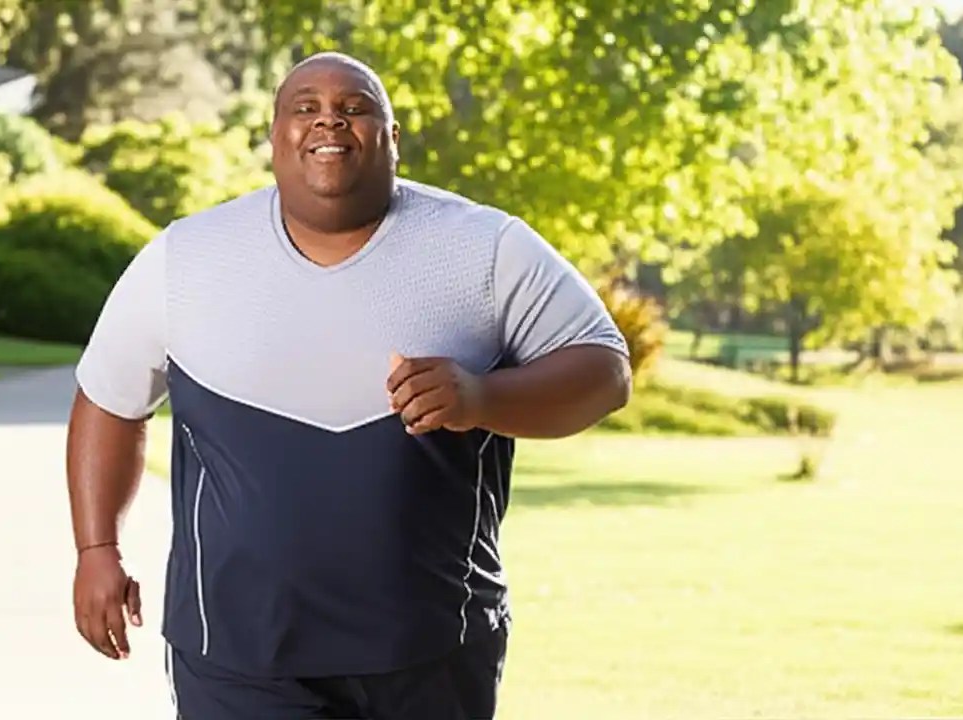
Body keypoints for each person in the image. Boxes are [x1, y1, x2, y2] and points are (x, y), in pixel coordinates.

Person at [66, 51, 632, 720]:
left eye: (355, 106)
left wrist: (482, 398)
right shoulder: (186, 256)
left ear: (393, 137)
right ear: (273, 137)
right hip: (238, 657)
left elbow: (604, 371)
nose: (328, 119)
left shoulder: (485, 248)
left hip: (431, 651)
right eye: (305, 107)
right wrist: (97, 549)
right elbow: (109, 400)